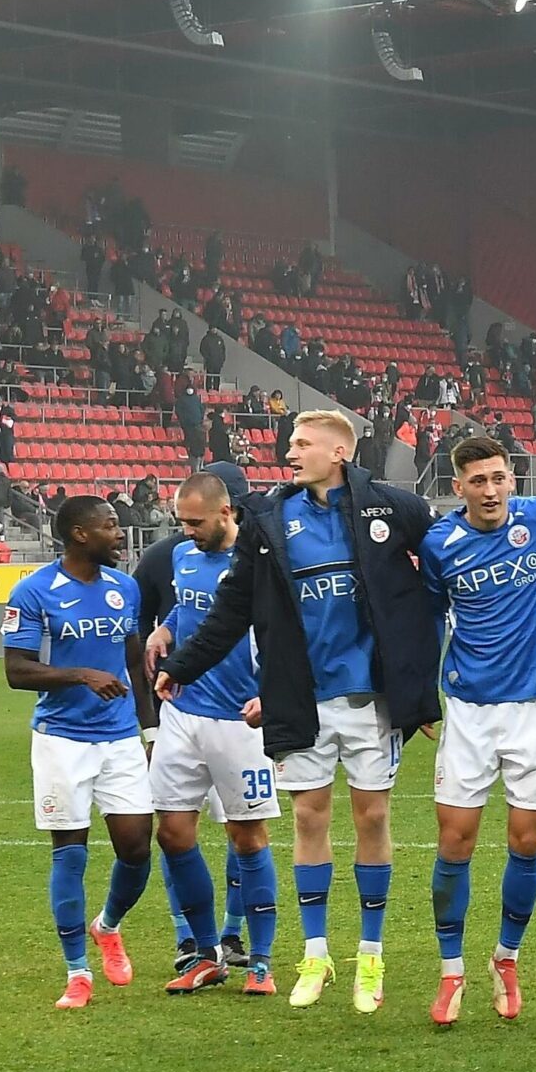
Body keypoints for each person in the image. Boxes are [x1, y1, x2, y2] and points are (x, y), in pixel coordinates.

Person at [157, 409, 441, 1013]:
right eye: (291, 442)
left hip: (370, 699)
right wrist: (181, 665)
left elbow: (442, 569)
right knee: (309, 820)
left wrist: (418, 683)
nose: (290, 452)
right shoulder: (269, 519)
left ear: (339, 452)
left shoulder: (392, 508)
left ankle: (370, 953)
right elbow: (233, 606)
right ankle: (316, 953)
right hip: (300, 699)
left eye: (303, 443)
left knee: (372, 819)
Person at [415, 436, 536, 1025]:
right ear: (457, 487)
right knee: (454, 842)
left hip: (535, 711)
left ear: (512, 479)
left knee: (526, 842)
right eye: (477, 481)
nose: (490, 491)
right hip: (469, 711)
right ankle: (451, 970)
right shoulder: (439, 544)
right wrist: (421, 693)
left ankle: (506, 959)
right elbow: (430, 619)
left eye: (498, 478)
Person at [5, 496, 153, 1010]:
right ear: (79, 534)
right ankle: (77, 972)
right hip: (61, 739)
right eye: (110, 525)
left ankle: (107, 926)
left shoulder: (124, 587)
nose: (120, 532)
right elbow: (16, 671)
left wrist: (150, 731)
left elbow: (134, 662)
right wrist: (80, 675)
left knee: (136, 848)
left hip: (120, 737)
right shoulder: (34, 591)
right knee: (70, 852)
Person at [145, 473, 283, 997]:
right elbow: (188, 607)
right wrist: (165, 629)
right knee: (172, 832)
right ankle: (206, 954)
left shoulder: (259, 562)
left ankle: (261, 961)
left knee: (247, 836)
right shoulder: (184, 556)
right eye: (182, 521)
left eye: (195, 522)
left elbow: (287, 631)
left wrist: (273, 691)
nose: (187, 531)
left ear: (227, 512)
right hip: (182, 714)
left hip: (239, 720)